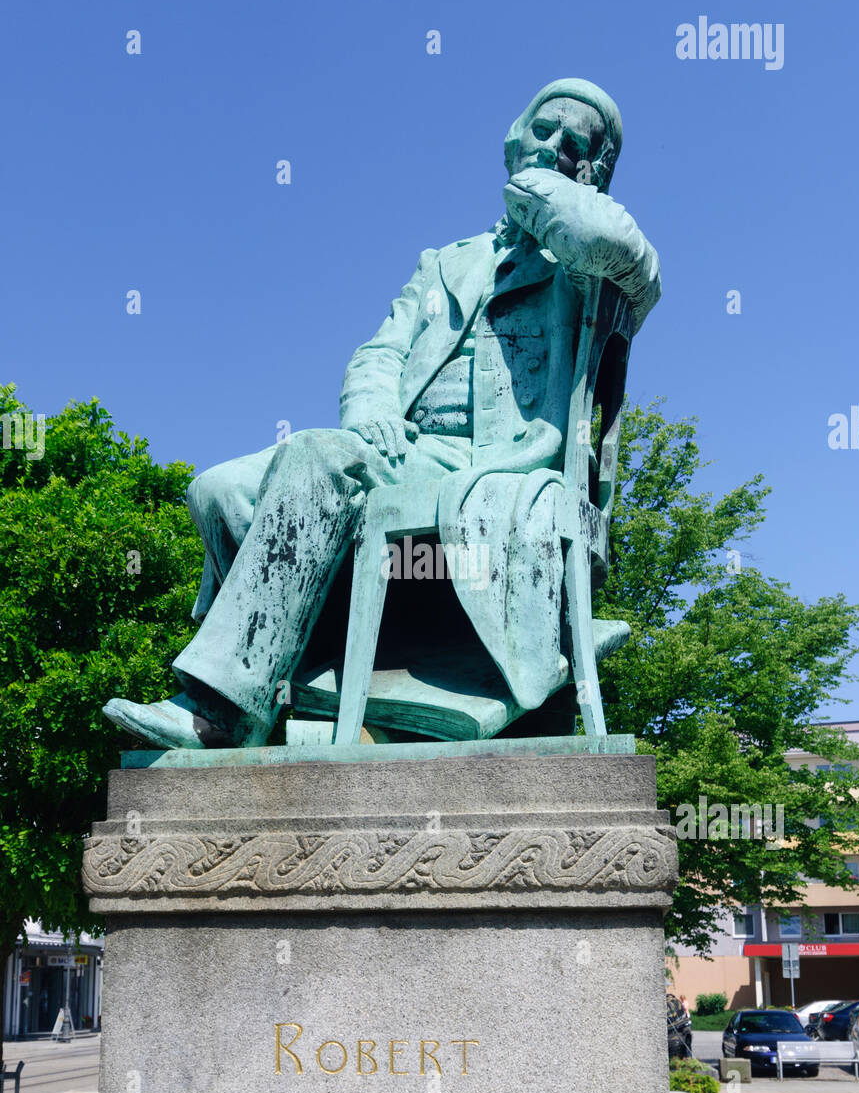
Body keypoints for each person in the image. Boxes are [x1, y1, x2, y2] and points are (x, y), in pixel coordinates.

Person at [104, 79, 660, 750]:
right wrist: (371, 413)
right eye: (542, 131)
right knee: (217, 489)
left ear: (591, 169)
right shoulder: (446, 262)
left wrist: (551, 191)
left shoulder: (593, 265)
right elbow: (380, 353)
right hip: (405, 446)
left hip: (499, 464)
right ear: (514, 136)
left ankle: (219, 707)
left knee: (316, 456)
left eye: (573, 144)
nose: (552, 147)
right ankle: (283, 680)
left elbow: (616, 246)